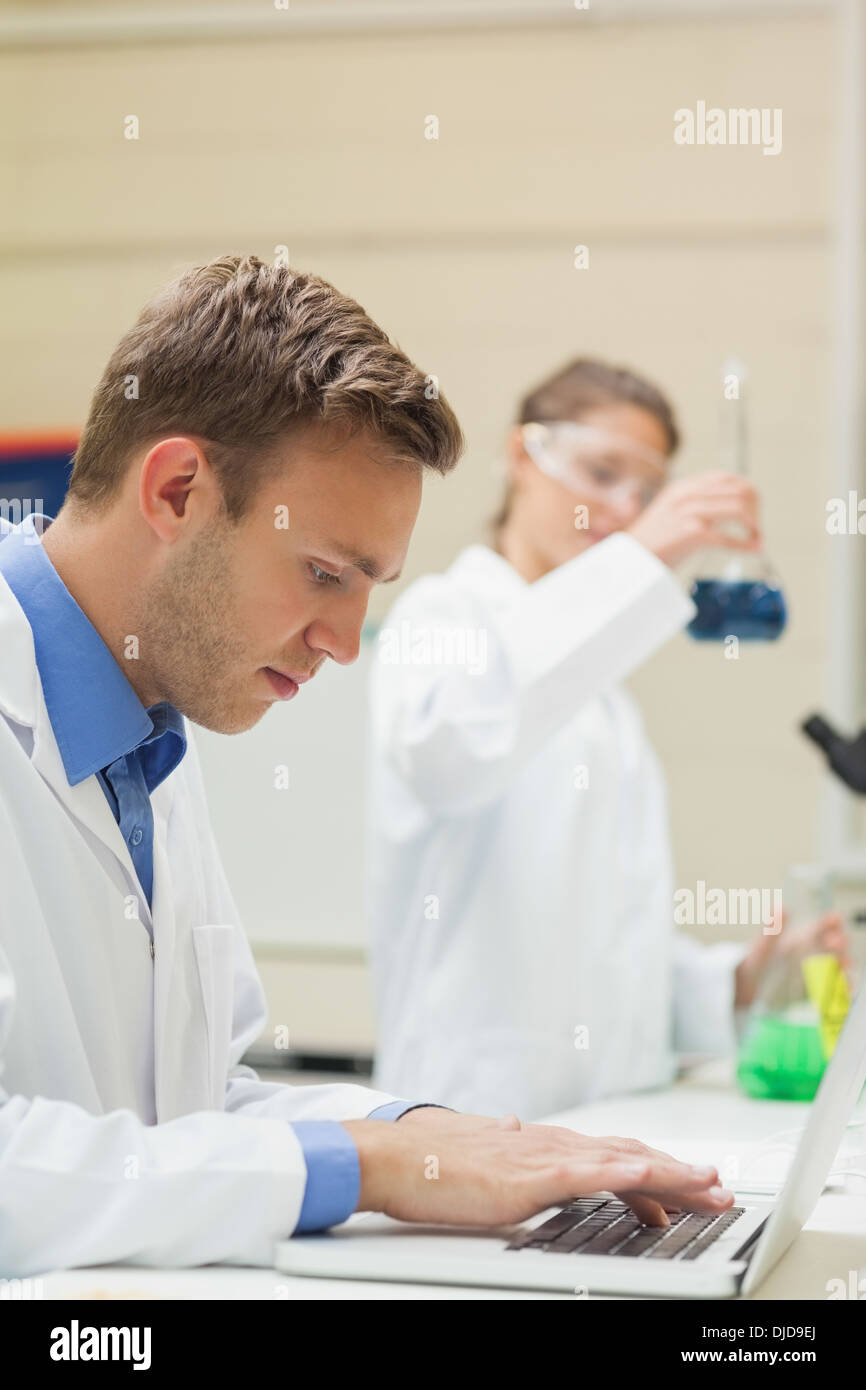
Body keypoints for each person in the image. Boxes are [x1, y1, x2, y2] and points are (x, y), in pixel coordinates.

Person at [0, 261, 734, 1277]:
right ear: (176, 490)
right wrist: (370, 1159)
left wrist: (435, 1133)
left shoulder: (152, 737)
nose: (346, 644)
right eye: (324, 573)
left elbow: (202, 1105)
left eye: (368, 586)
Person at [367, 357, 847, 1118]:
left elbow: (612, 949)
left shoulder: (603, 699)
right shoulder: (443, 619)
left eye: (647, 492)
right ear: (523, 455)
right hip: (469, 1116)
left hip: (609, 1120)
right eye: (601, 472)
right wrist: (641, 557)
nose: (623, 508)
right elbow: (451, 758)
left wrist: (739, 979)